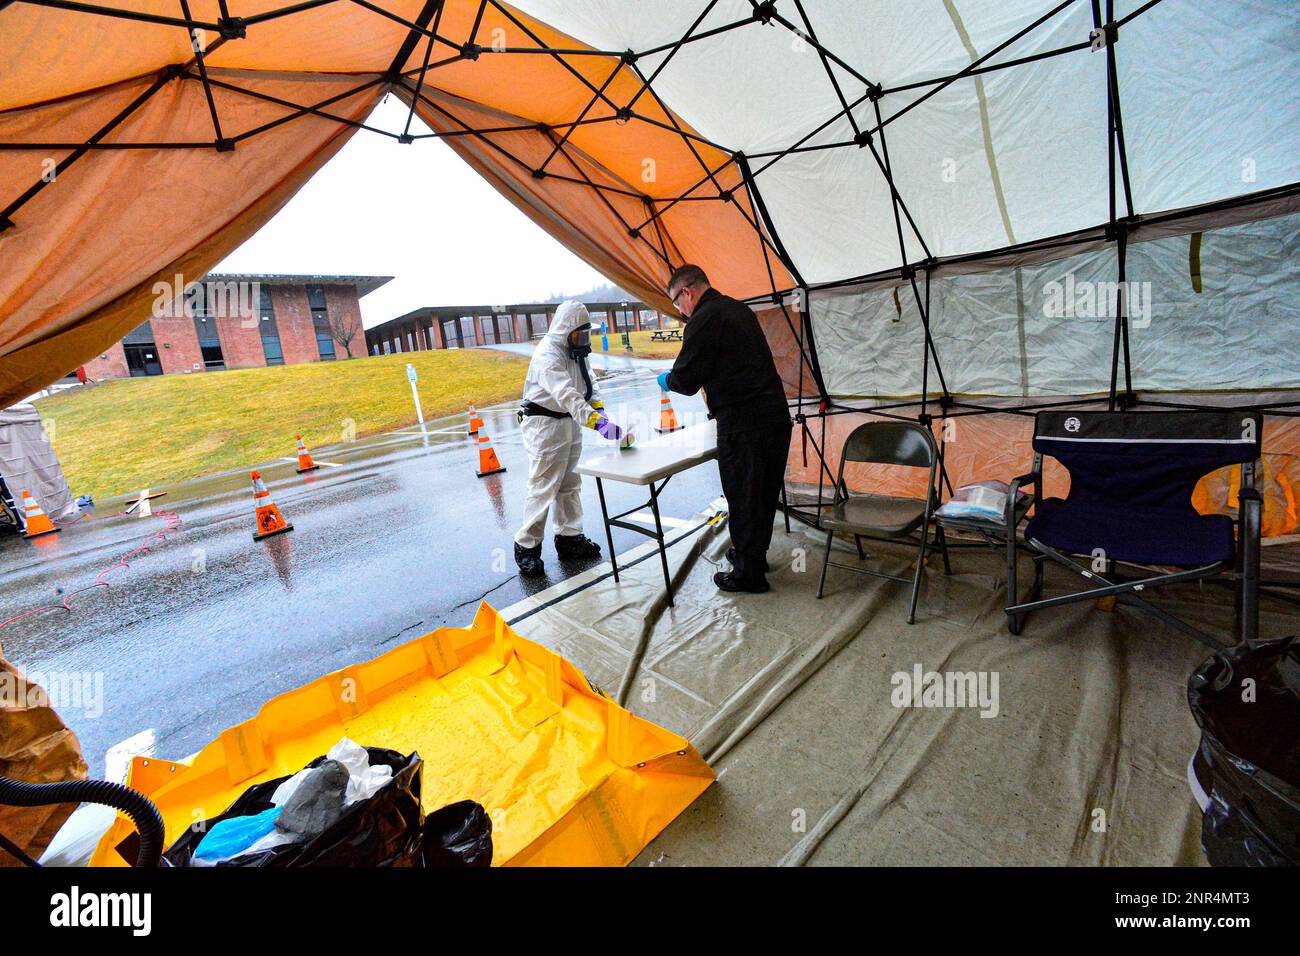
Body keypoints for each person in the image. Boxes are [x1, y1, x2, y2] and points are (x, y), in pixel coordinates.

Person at [658, 264, 792, 593]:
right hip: (774, 416)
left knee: (743, 496)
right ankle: (753, 557)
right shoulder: (737, 308)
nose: (680, 311)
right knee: (761, 494)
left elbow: (687, 378)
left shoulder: (704, 318)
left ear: (686, 292)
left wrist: (669, 380)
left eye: (677, 303)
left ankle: (748, 575)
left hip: (744, 422)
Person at [513, 300, 630, 576]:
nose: (584, 338)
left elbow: (590, 382)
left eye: (586, 333)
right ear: (566, 329)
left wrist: (599, 410)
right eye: (580, 332)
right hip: (544, 424)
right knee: (544, 485)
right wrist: (597, 423)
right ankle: (526, 546)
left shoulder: (576, 351)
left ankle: (569, 538)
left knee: (570, 483)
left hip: (568, 422)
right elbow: (566, 394)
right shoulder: (547, 355)